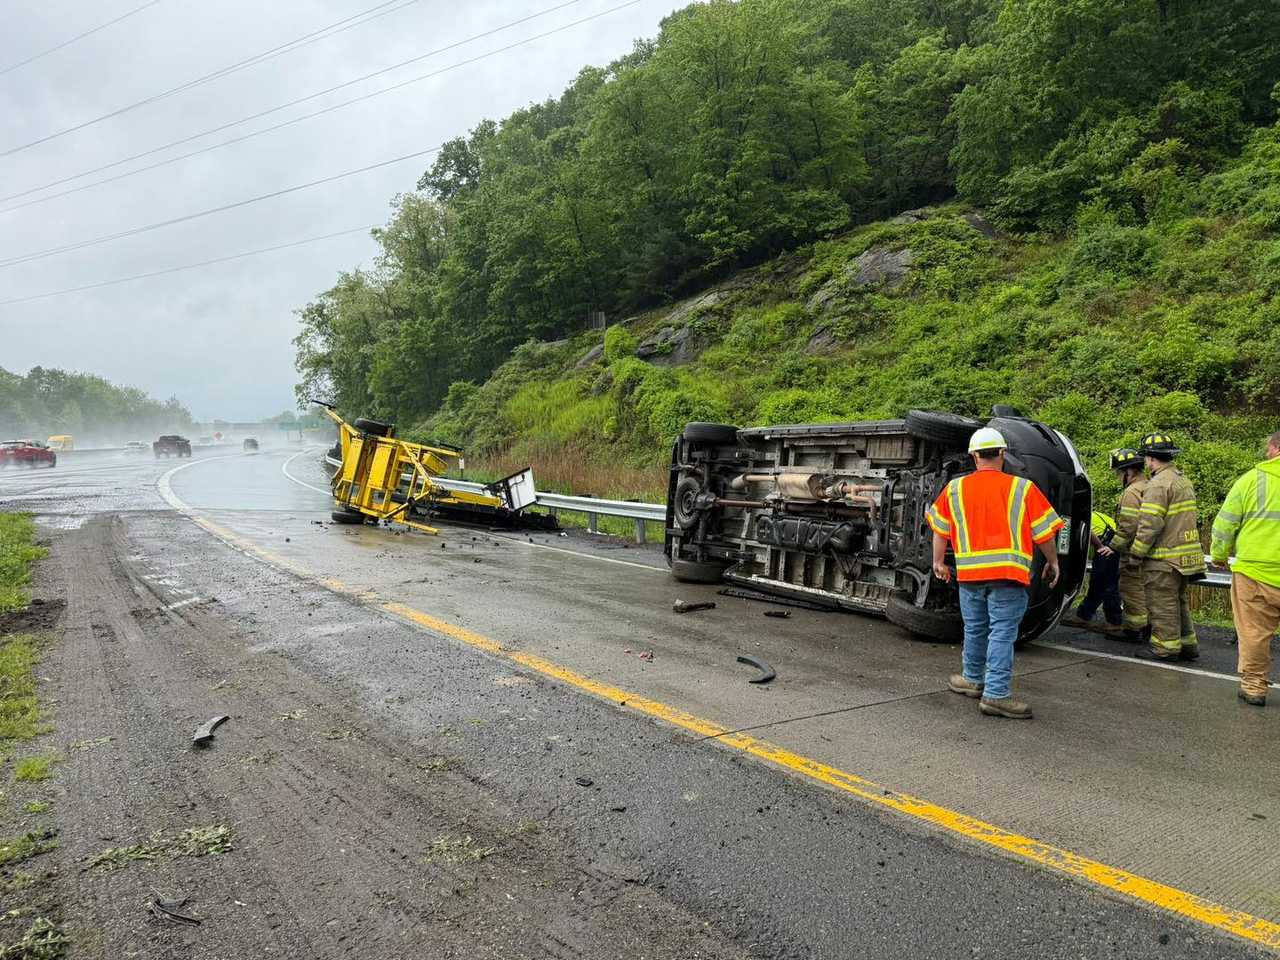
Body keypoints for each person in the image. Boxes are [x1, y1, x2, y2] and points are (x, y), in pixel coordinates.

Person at [927, 427, 1063, 719]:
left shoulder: (955, 488)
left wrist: (938, 562)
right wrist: (1053, 562)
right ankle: (996, 695)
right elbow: (1044, 533)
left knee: (975, 627)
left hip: (970, 576)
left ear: (974, 456)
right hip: (1007, 576)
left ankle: (972, 679)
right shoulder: (1022, 488)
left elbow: (941, 529)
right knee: (1001, 633)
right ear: (1003, 454)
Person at [1209, 430, 1280, 707]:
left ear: (1275, 448)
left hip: (1254, 571)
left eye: (1267, 447)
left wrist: (1218, 555)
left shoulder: (1251, 481)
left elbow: (1225, 523)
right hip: (1257, 570)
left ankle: (1254, 687)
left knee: (1253, 632)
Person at [1129, 433, 1205, 660]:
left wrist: (1136, 554)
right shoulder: (1183, 481)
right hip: (1184, 557)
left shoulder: (1158, 485)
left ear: (1151, 459)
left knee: (1161, 603)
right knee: (1178, 602)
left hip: (1164, 558)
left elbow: (1150, 524)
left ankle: (1165, 648)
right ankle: (1188, 645)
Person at [1106, 447, 1150, 640]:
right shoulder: (1150, 486)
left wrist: (1113, 546)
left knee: (1131, 589)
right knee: (1146, 590)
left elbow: (1128, 526)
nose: (1118, 477)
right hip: (1149, 550)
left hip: (1133, 551)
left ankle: (1135, 629)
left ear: (1128, 472)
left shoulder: (1132, 492)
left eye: (1119, 473)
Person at [1064, 510, 1121, 632]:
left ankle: (1114, 622)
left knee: (1107, 583)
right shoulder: (1087, 511)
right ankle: (1084, 615)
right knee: (1097, 582)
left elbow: (1087, 531)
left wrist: (1100, 547)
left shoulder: (1072, 513)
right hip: (1110, 537)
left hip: (1107, 542)